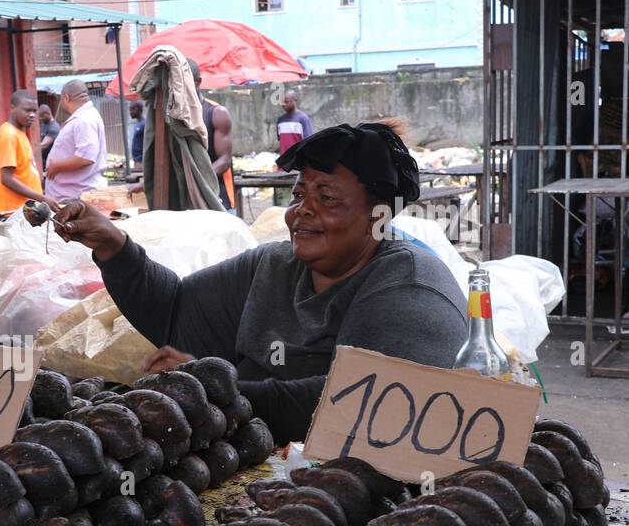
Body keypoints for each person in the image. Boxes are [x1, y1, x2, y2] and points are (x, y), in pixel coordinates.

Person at [50, 122, 468, 444]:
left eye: (327, 198)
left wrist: (215, 390)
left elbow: (366, 402)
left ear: (379, 216)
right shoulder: (272, 266)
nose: (303, 211)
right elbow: (176, 313)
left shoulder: (411, 287)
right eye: (299, 195)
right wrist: (115, 247)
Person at [0, 90, 53, 215]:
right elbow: (6, 178)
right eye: (28, 110)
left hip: (21, 213)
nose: (32, 115)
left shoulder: (13, 131)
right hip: (12, 214)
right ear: (12, 108)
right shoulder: (9, 135)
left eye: (34, 111)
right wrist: (42, 198)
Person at [44, 79, 108, 203]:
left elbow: (86, 157)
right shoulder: (83, 117)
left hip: (78, 198)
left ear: (66, 98)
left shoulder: (84, 119)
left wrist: (56, 166)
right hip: (72, 197)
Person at [193, 63, 235, 212]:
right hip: (191, 196)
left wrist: (196, 179)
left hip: (219, 194)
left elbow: (224, 160)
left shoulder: (216, 113)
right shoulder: (176, 116)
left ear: (197, 82)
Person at [276, 90, 314, 155]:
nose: (283, 104)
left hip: (298, 159)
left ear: (295, 100)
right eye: (282, 102)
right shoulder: (280, 121)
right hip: (284, 159)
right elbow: (281, 141)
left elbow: (308, 142)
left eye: (286, 102)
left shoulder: (303, 119)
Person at [130, 100, 145, 166]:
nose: (130, 113)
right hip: (136, 157)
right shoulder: (138, 123)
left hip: (140, 157)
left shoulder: (144, 124)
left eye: (131, 110)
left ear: (136, 109)